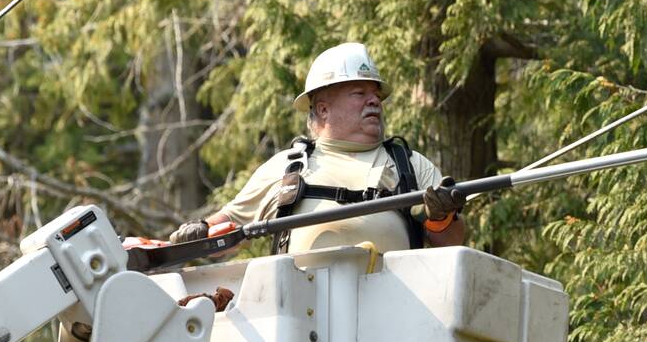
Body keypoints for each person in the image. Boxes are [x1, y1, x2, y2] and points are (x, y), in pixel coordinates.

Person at [173, 42, 468, 254]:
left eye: (376, 95)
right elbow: (226, 232)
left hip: (393, 313)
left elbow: (453, 242)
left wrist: (441, 218)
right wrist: (198, 232)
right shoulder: (288, 167)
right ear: (324, 109)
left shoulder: (410, 165)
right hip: (305, 314)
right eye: (359, 93)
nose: (374, 101)